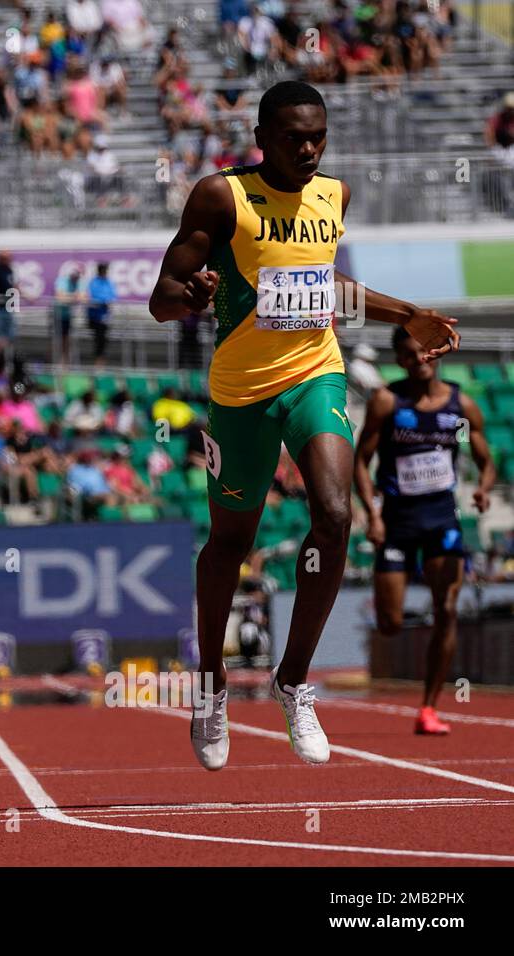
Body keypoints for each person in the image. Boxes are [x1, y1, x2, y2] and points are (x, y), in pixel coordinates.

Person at [149, 81, 459, 772]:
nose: (310, 148)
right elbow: (160, 299)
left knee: (335, 512)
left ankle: (293, 682)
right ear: (263, 137)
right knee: (230, 541)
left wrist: (408, 313)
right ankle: (212, 685)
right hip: (239, 395)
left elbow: (323, 289)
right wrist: (190, 296)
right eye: (294, 137)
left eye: (319, 135)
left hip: (315, 374)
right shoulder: (220, 196)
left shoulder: (333, 196)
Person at [354, 326, 494, 735]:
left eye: (424, 354)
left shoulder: (460, 403)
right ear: (398, 360)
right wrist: (373, 514)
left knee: (447, 611)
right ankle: (388, 616)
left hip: (442, 520)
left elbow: (486, 459)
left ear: (436, 355)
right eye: (408, 355)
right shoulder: (386, 401)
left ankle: (429, 707)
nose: (418, 361)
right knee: (391, 623)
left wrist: (484, 490)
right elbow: (361, 462)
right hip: (397, 523)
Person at [84, 260, 116, 365]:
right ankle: (98, 360)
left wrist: (105, 301)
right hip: (95, 317)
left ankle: (100, 360)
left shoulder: (109, 282)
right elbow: (93, 296)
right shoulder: (94, 282)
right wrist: (103, 301)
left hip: (104, 316)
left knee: (103, 339)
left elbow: (112, 296)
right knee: (98, 338)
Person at [54, 264, 82, 365]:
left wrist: (68, 297)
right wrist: (73, 297)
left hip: (68, 315)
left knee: (66, 339)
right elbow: (60, 297)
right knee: (56, 339)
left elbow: (83, 297)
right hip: (57, 315)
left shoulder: (78, 283)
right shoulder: (62, 281)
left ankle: (64, 362)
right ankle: (55, 361)